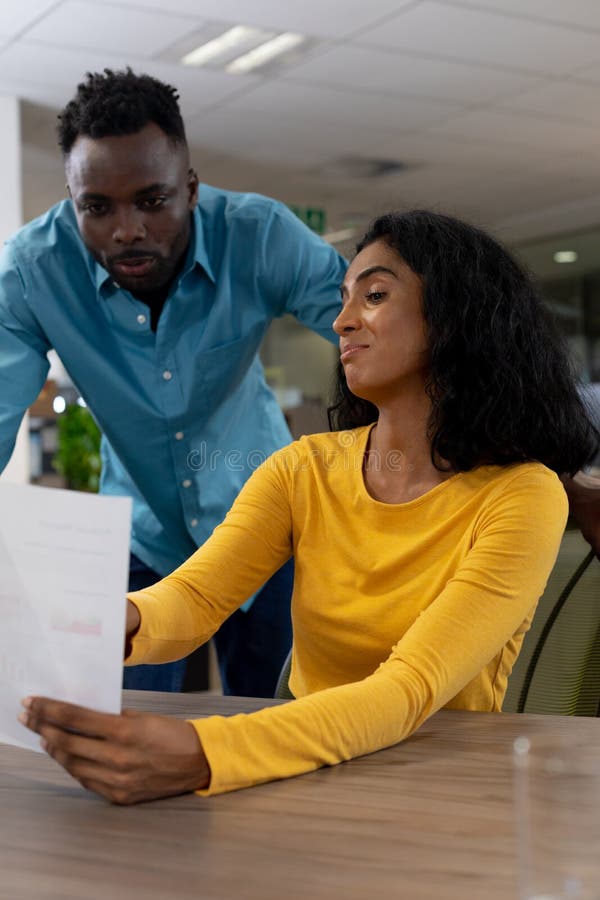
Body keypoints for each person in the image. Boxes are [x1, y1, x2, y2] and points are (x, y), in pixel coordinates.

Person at [19, 209, 598, 804]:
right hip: (299, 766)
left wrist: (205, 753)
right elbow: (195, 598)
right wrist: (110, 620)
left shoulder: (522, 495)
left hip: (436, 780)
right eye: (344, 299)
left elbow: (407, 689)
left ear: (457, 318)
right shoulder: (304, 469)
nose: (343, 322)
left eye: (374, 295)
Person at [0, 69, 347, 696]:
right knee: (127, 723)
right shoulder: (33, 271)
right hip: (142, 538)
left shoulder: (259, 236)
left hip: (265, 526)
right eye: (97, 207)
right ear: (72, 197)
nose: (126, 229)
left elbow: (377, 334)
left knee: (281, 722)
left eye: (152, 201)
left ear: (189, 187)